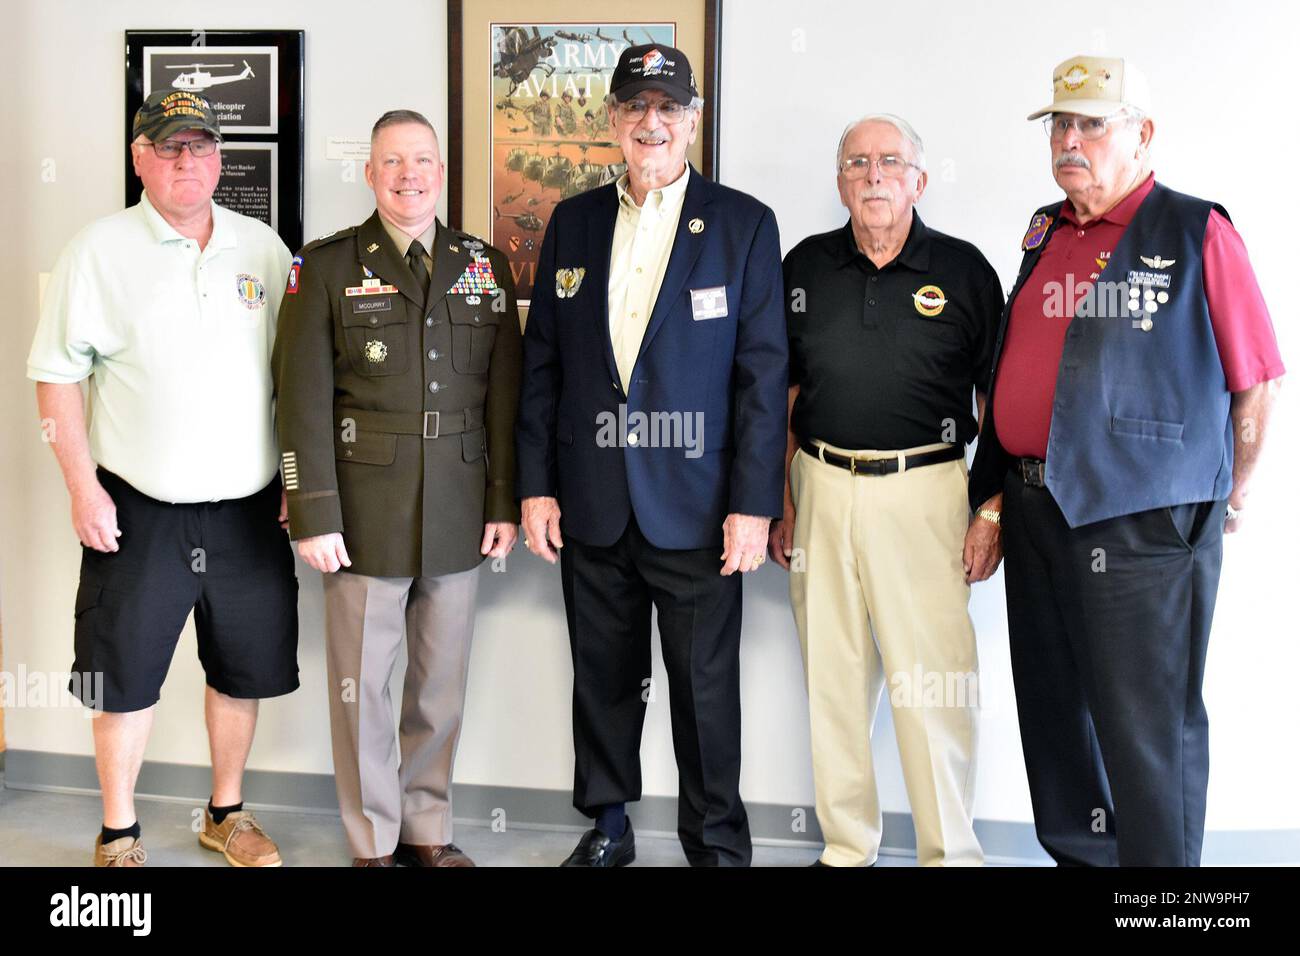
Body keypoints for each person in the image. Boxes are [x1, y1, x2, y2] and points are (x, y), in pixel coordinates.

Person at [968, 55, 1285, 866]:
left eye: (1091, 125)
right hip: (1037, 510)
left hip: (1144, 525)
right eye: (1060, 125)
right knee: (1054, 717)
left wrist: (1229, 490)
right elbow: (1023, 366)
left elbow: (1254, 382)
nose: (1070, 141)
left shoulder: (1195, 230)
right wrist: (996, 501)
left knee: (1148, 730)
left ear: (1143, 135)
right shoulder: (1046, 228)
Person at [516, 44, 788, 867]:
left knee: (706, 692)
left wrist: (753, 505)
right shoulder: (573, 221)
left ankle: (714, 845)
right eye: (635, 107)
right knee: (602, 679)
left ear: (692, 119)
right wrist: (536, 487)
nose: (651, 123)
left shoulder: (743, 224)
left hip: (701, 509)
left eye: (668, 108)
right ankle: (608, 826)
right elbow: (544, 369)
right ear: (611, 122)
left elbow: (763, 375)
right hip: (593, 499)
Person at [27, 89, 296, 868]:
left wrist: (295, 479)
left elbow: (297, 380)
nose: (188, 161)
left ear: (220, 159)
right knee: (122, 674)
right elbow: (54, 377)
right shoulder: (98, 250)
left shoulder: (263, 249)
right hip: (138, 508)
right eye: (170, 147)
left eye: (201, 147)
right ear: (140, 157)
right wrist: (84, 488)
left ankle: (227, 813)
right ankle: (119, 832)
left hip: (248, 510)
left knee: (241, 667)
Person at [272, 109, 521, 867]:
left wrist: (503, 499)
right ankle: (372, 841)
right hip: (361, 514)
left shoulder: (486, 265)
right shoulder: (323, 268)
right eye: (392, 161)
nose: (408, 174)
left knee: (437, 691)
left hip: (458, 508)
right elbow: (302, 399)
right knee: (360, 693)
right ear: (370, 172)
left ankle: (426, 832)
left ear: (441, 172)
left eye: (422, 161)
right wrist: (311, 511)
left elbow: (504, 396)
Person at [774, 114, 1004, 866]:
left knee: (932, 681)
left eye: (891, 163)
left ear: (919, 181)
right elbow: (781, 389)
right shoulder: (803, 268)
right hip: (821, 485)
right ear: (840, 181)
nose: (875, 175)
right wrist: (781, 496)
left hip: (928, 491)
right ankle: (847, 845)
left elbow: (996, 404)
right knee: (834, 679)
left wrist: (991, 507)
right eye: (858, 163)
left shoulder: (966, 271)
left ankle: (949, 852)